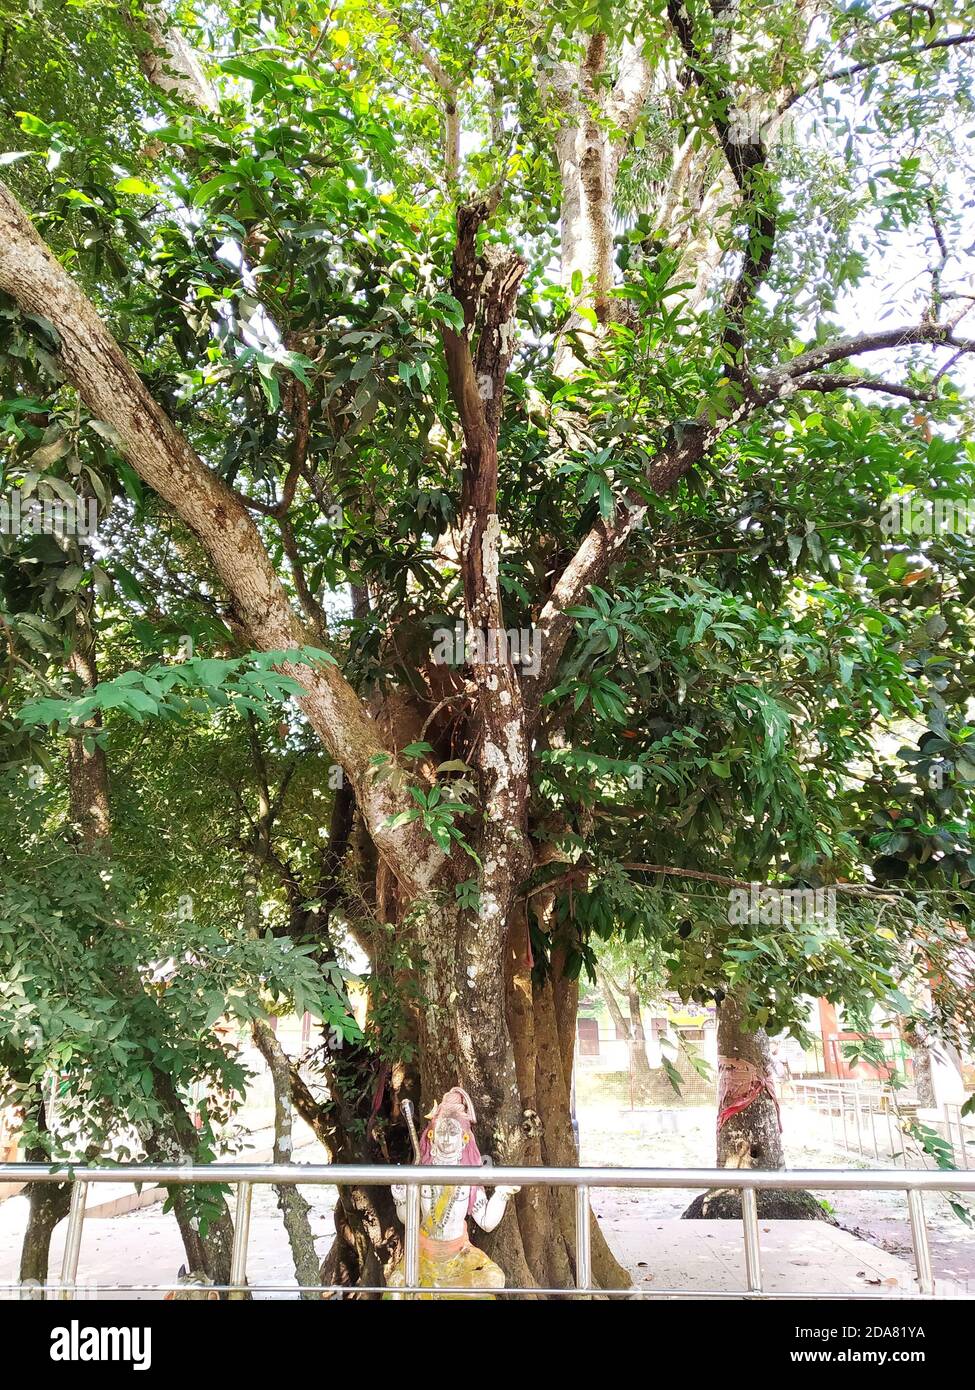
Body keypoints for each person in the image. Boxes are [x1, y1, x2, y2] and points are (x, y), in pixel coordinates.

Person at [386, 1086, 520, 1299]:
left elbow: (486, 1222)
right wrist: (401, 1198)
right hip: (422, 1254)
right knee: (395, 1287)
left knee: (495, 1278)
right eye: (442, 1132)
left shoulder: (470, 1179)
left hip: (459, 1256)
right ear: (431, 1135)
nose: (446, 1139)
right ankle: (437, 1289)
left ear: (464, 1138)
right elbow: (408, 1219)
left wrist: (502, 1194)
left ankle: (436, 1290)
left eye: (452, 1132)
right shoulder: (422, 1173)